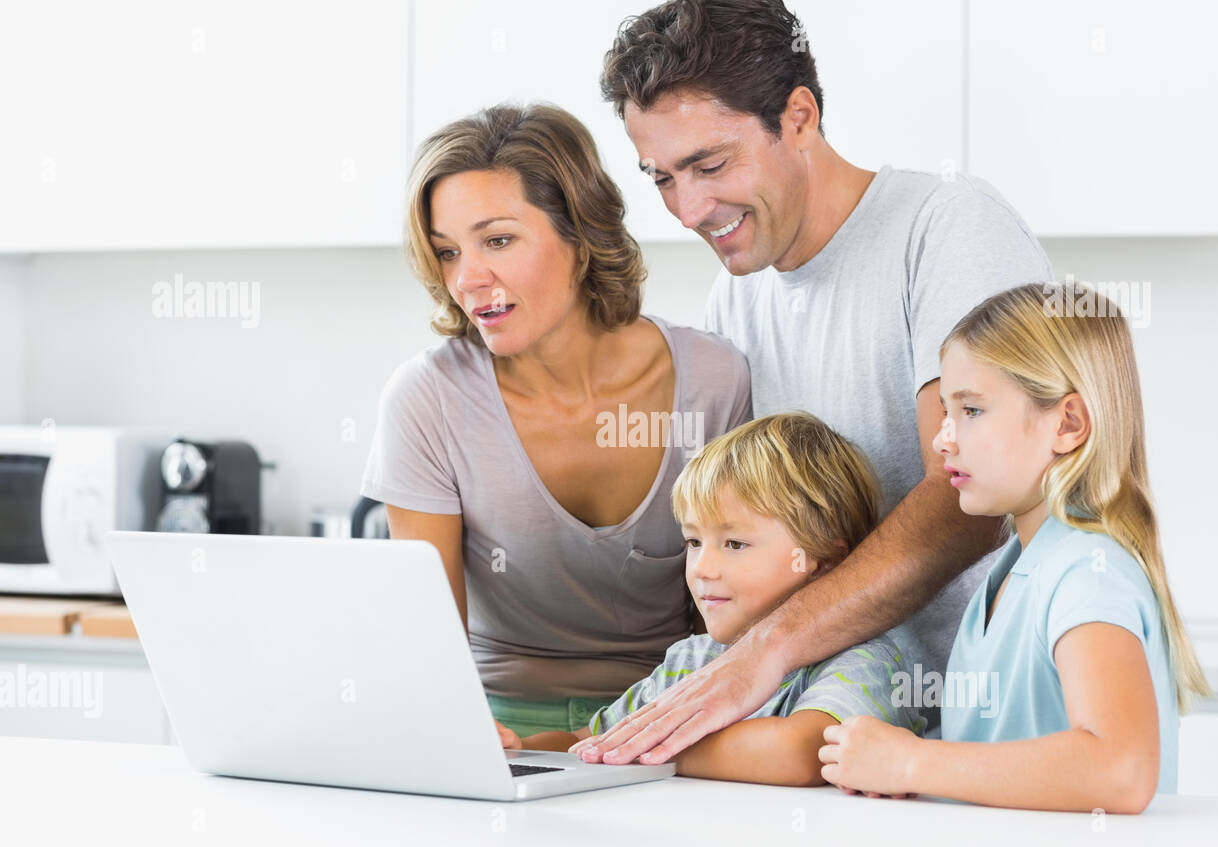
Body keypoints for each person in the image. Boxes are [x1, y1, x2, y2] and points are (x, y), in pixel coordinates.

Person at [578, 0, 1054, 764]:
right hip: (830, 737)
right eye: (662, 177)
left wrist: (766, 653)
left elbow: (974, 501)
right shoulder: (738, 295)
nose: (690, 209)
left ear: (798, 117)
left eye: (711, 164)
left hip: (976, 735)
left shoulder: (947, 228)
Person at [360, 102, 751, 739]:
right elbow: (427, 640)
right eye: (447, 252)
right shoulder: (427, 400)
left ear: (580, 236)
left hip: (669, 720)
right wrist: (461, 731)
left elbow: (736, 616)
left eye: (498, 240)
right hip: (497, 726)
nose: (468, 278)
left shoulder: (714, 381)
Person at [819, 283, 1213, 812]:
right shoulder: (1014, 568)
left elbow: (1122, 770)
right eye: (944, 412)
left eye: (972, 411)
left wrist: (912, 761)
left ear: (1067, 424)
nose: (943, 439)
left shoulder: (1085, 572)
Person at [498, 412, 925, 786]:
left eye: (735, 543)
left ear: (827, 559)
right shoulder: (691, 660)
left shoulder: (865, 661)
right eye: (694, 541)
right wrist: (519, 747)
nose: (702, 567)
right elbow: (590, 741)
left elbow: (801, 754)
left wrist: (652, 751)